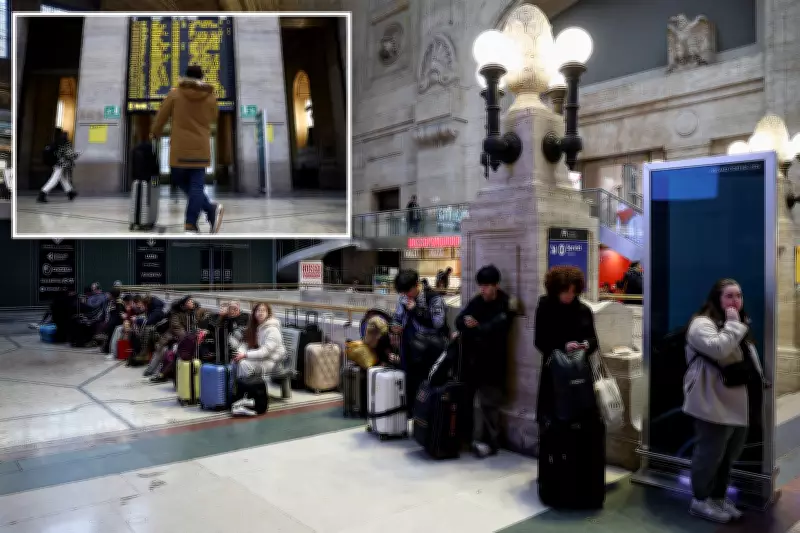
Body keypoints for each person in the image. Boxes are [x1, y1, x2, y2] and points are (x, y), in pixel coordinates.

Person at [683, 278, 768, 523]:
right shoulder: (701, 324)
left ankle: (718, 498)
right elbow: (718, 349)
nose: (735, 301)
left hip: (738, 402)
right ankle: (700, 499)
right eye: (729, 296)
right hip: (711, 400)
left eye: (738, 296)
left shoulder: (739, 323)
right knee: (709, 454)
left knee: (728, 456)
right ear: (717, 298)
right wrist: (733, 324)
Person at [534, 265, 604, 510]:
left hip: (580, 378)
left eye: (573, 291)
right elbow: (540, 341)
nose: (569, 296)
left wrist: (584, 344)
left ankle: (579, 481)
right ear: (555, 289)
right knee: (553, 426)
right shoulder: (545, 308)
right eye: (565, 291)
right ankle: (551, 479)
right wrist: (564, 345)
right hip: (554, 378)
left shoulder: (583, 310)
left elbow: (594, 340)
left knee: (582, 427)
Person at [151, 64, 224, 234]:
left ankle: (196, 220)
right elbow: (214, 117)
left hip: (179, 149)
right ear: (201, 78)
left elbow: (161, 116)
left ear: (185, 76)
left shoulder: (175, 94)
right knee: (197, 186)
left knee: (179, 180)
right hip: (201, 148)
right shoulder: (211, 96)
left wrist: (155, 133)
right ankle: (198, 217)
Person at [456, 265, 518, 458]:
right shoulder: (477, 301)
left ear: (496, 286)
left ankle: (492, 442)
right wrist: (471, 326)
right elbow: (460, 320)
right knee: (466, 401)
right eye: (480, 286)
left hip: (492, 364)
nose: (482, 290)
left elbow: (495, 330)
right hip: (472, 362)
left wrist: (476, 327)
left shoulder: (506, 303)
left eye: (486, 286)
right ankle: (466, 439)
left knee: (489, 405)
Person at [391, 269, 448, 416]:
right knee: (408, 378)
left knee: (424, 382)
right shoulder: (404, 297)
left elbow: (438, 324)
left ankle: (423, 415)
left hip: (427, 349)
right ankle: (410, 411)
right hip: (409, 344)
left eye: (407, 291)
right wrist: (394, 327)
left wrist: (416, 310)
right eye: (401, 292)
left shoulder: (433, 298)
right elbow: (397, 316)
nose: (404, 295)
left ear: (416, 285)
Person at [38, 128, 80, 203]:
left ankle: (70, 193)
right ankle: (43, 193)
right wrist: (77, 155)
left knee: (63, 178)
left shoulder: (56, 142)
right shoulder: (65, 143)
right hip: (61, 164)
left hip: (56, 163)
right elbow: (69, 155)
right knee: (54, 179)